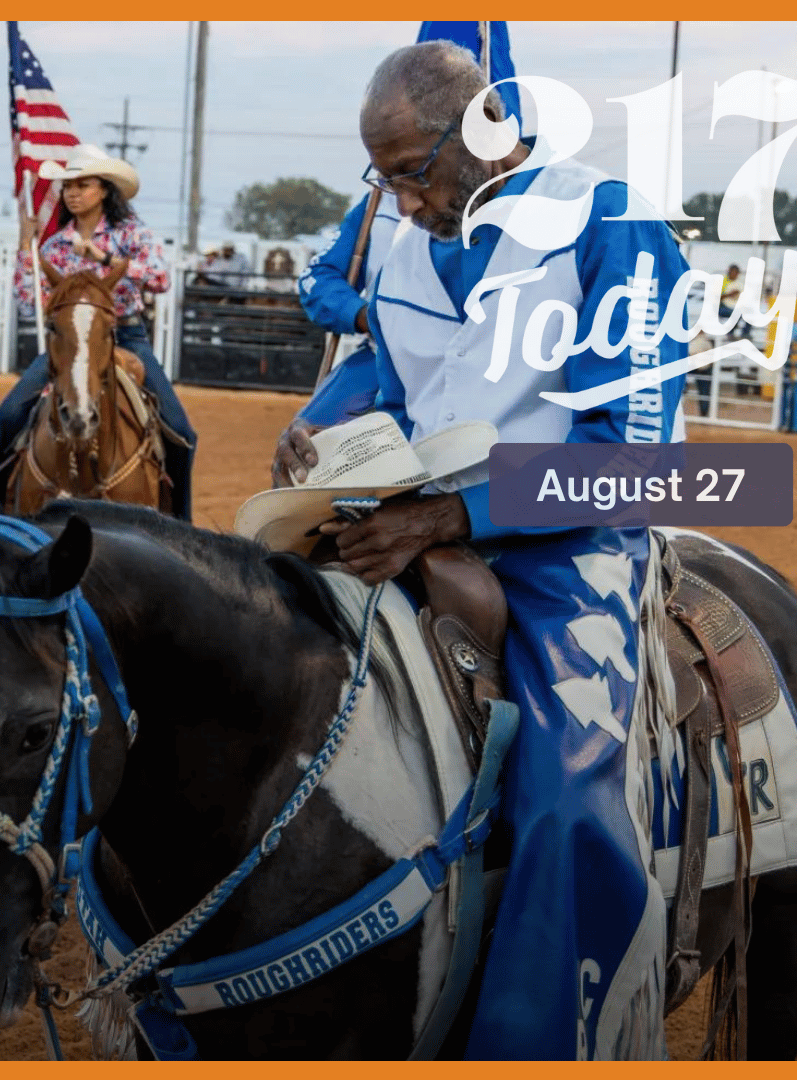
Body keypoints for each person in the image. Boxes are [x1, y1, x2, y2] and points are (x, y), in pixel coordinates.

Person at [271, 41, 689, 1059]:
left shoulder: (613, 225)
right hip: (410, 510)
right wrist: (318, 420)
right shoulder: (416, 238)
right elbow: (388, 361)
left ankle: (544, 1036)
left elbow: (630, 455)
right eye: (385, 177)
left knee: (563, 792)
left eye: (413, 171)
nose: (401, 203)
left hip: (566, 543)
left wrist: (457, 520)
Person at [0, 143, 196, 520]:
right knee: (7, 415)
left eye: (83, 185)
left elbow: (160, 278)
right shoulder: (54, 245)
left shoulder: (130, 234)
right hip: (66, 342)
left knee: (180, 431)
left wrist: (102, 258)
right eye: (69, 186)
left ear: (104, 191)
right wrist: (24, 245)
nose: (73, 193)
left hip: (125, 337)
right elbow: (27, 300)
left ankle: (182, 526)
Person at [294, 191, 403, 426]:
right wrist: (361, 315)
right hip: (382, 356)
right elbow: (318, 277)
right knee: (307, 441)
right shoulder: (380, 200)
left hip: (469, 367)